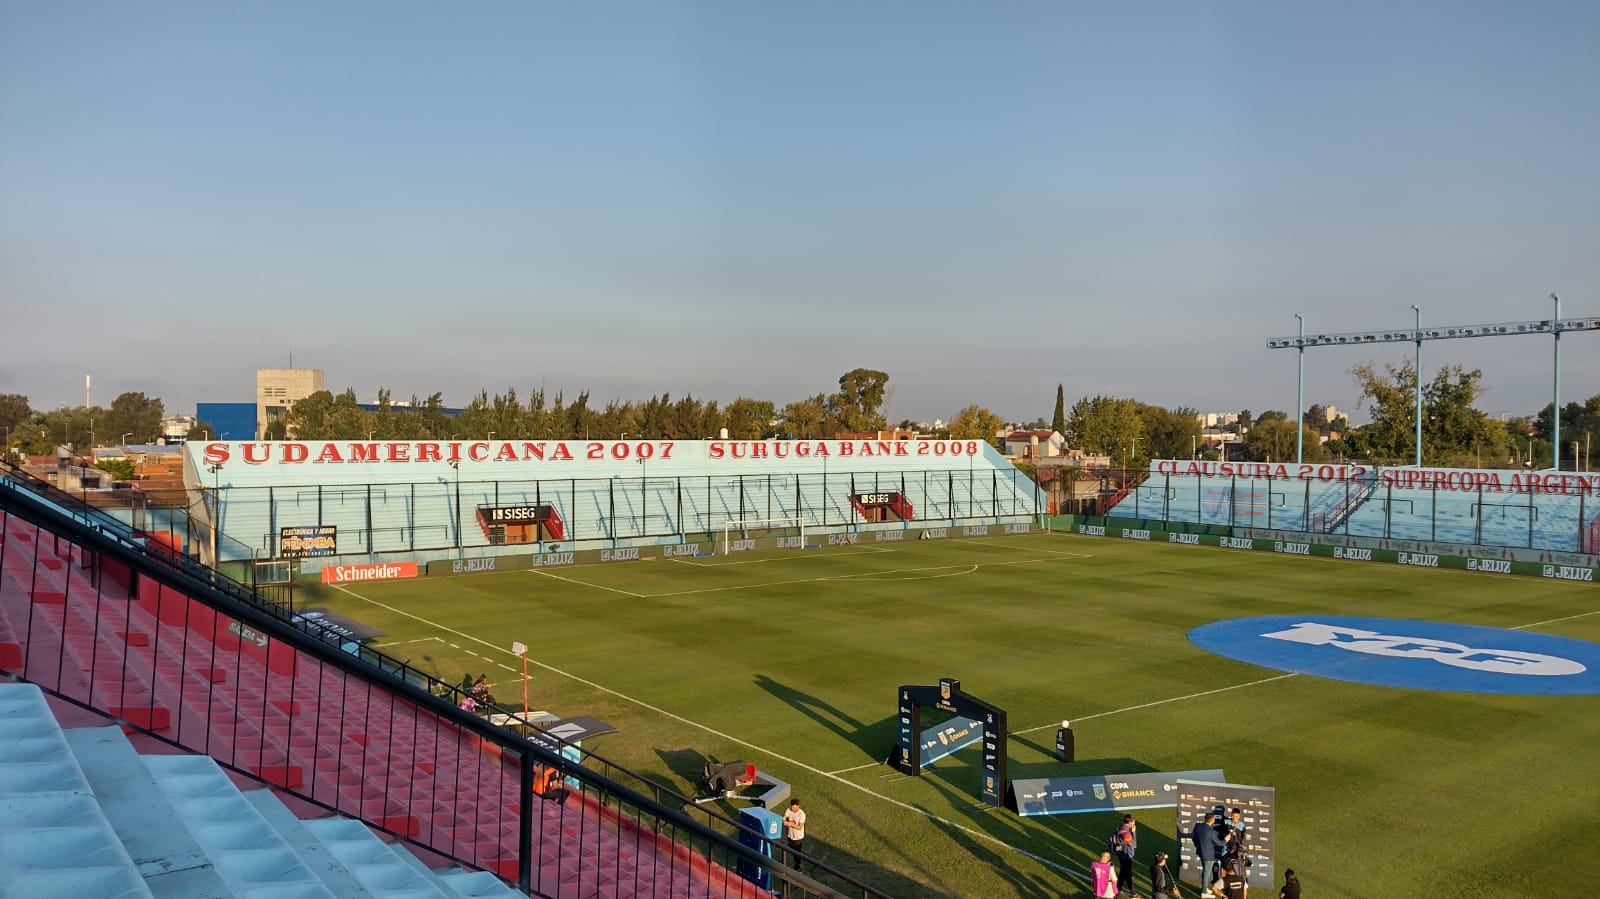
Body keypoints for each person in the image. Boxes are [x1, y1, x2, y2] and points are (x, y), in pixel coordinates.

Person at [1192, 813, 1226, 894]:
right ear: (1213, 820)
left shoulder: (1198, 826)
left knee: (1205, 872)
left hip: (1201, 853)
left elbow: (1193, 837)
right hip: (1208, 856)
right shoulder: (1211, 832)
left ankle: (1204, 888)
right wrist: (1226, 840)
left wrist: (1197, 845)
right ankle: (1203, 892)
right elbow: (1219, 843)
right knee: (1206, 873)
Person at [1113, 814, 1137, 896]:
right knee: (1128, 874)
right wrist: (1133, 833)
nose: (1134, 823)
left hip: (1121, 854)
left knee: (1123, 873)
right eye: (1133, 821)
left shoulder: (1120, 827)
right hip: (1126, 856)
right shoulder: (1126, 834)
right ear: (1130, 822)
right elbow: (1134, 845)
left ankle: (1117, 889)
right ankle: (1133, 893)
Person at [782, 798, 807, 866]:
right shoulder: (788, 810)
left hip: (798, 837)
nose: (793, 809)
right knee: (790, 848)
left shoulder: (802, 814)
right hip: (790, 835)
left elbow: (800, 827)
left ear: (798, 806)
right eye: (792, 807)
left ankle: (797, 865)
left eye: (794, 807)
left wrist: (791, 824)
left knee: (796, 853)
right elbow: (785, 817)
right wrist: (784, 820)